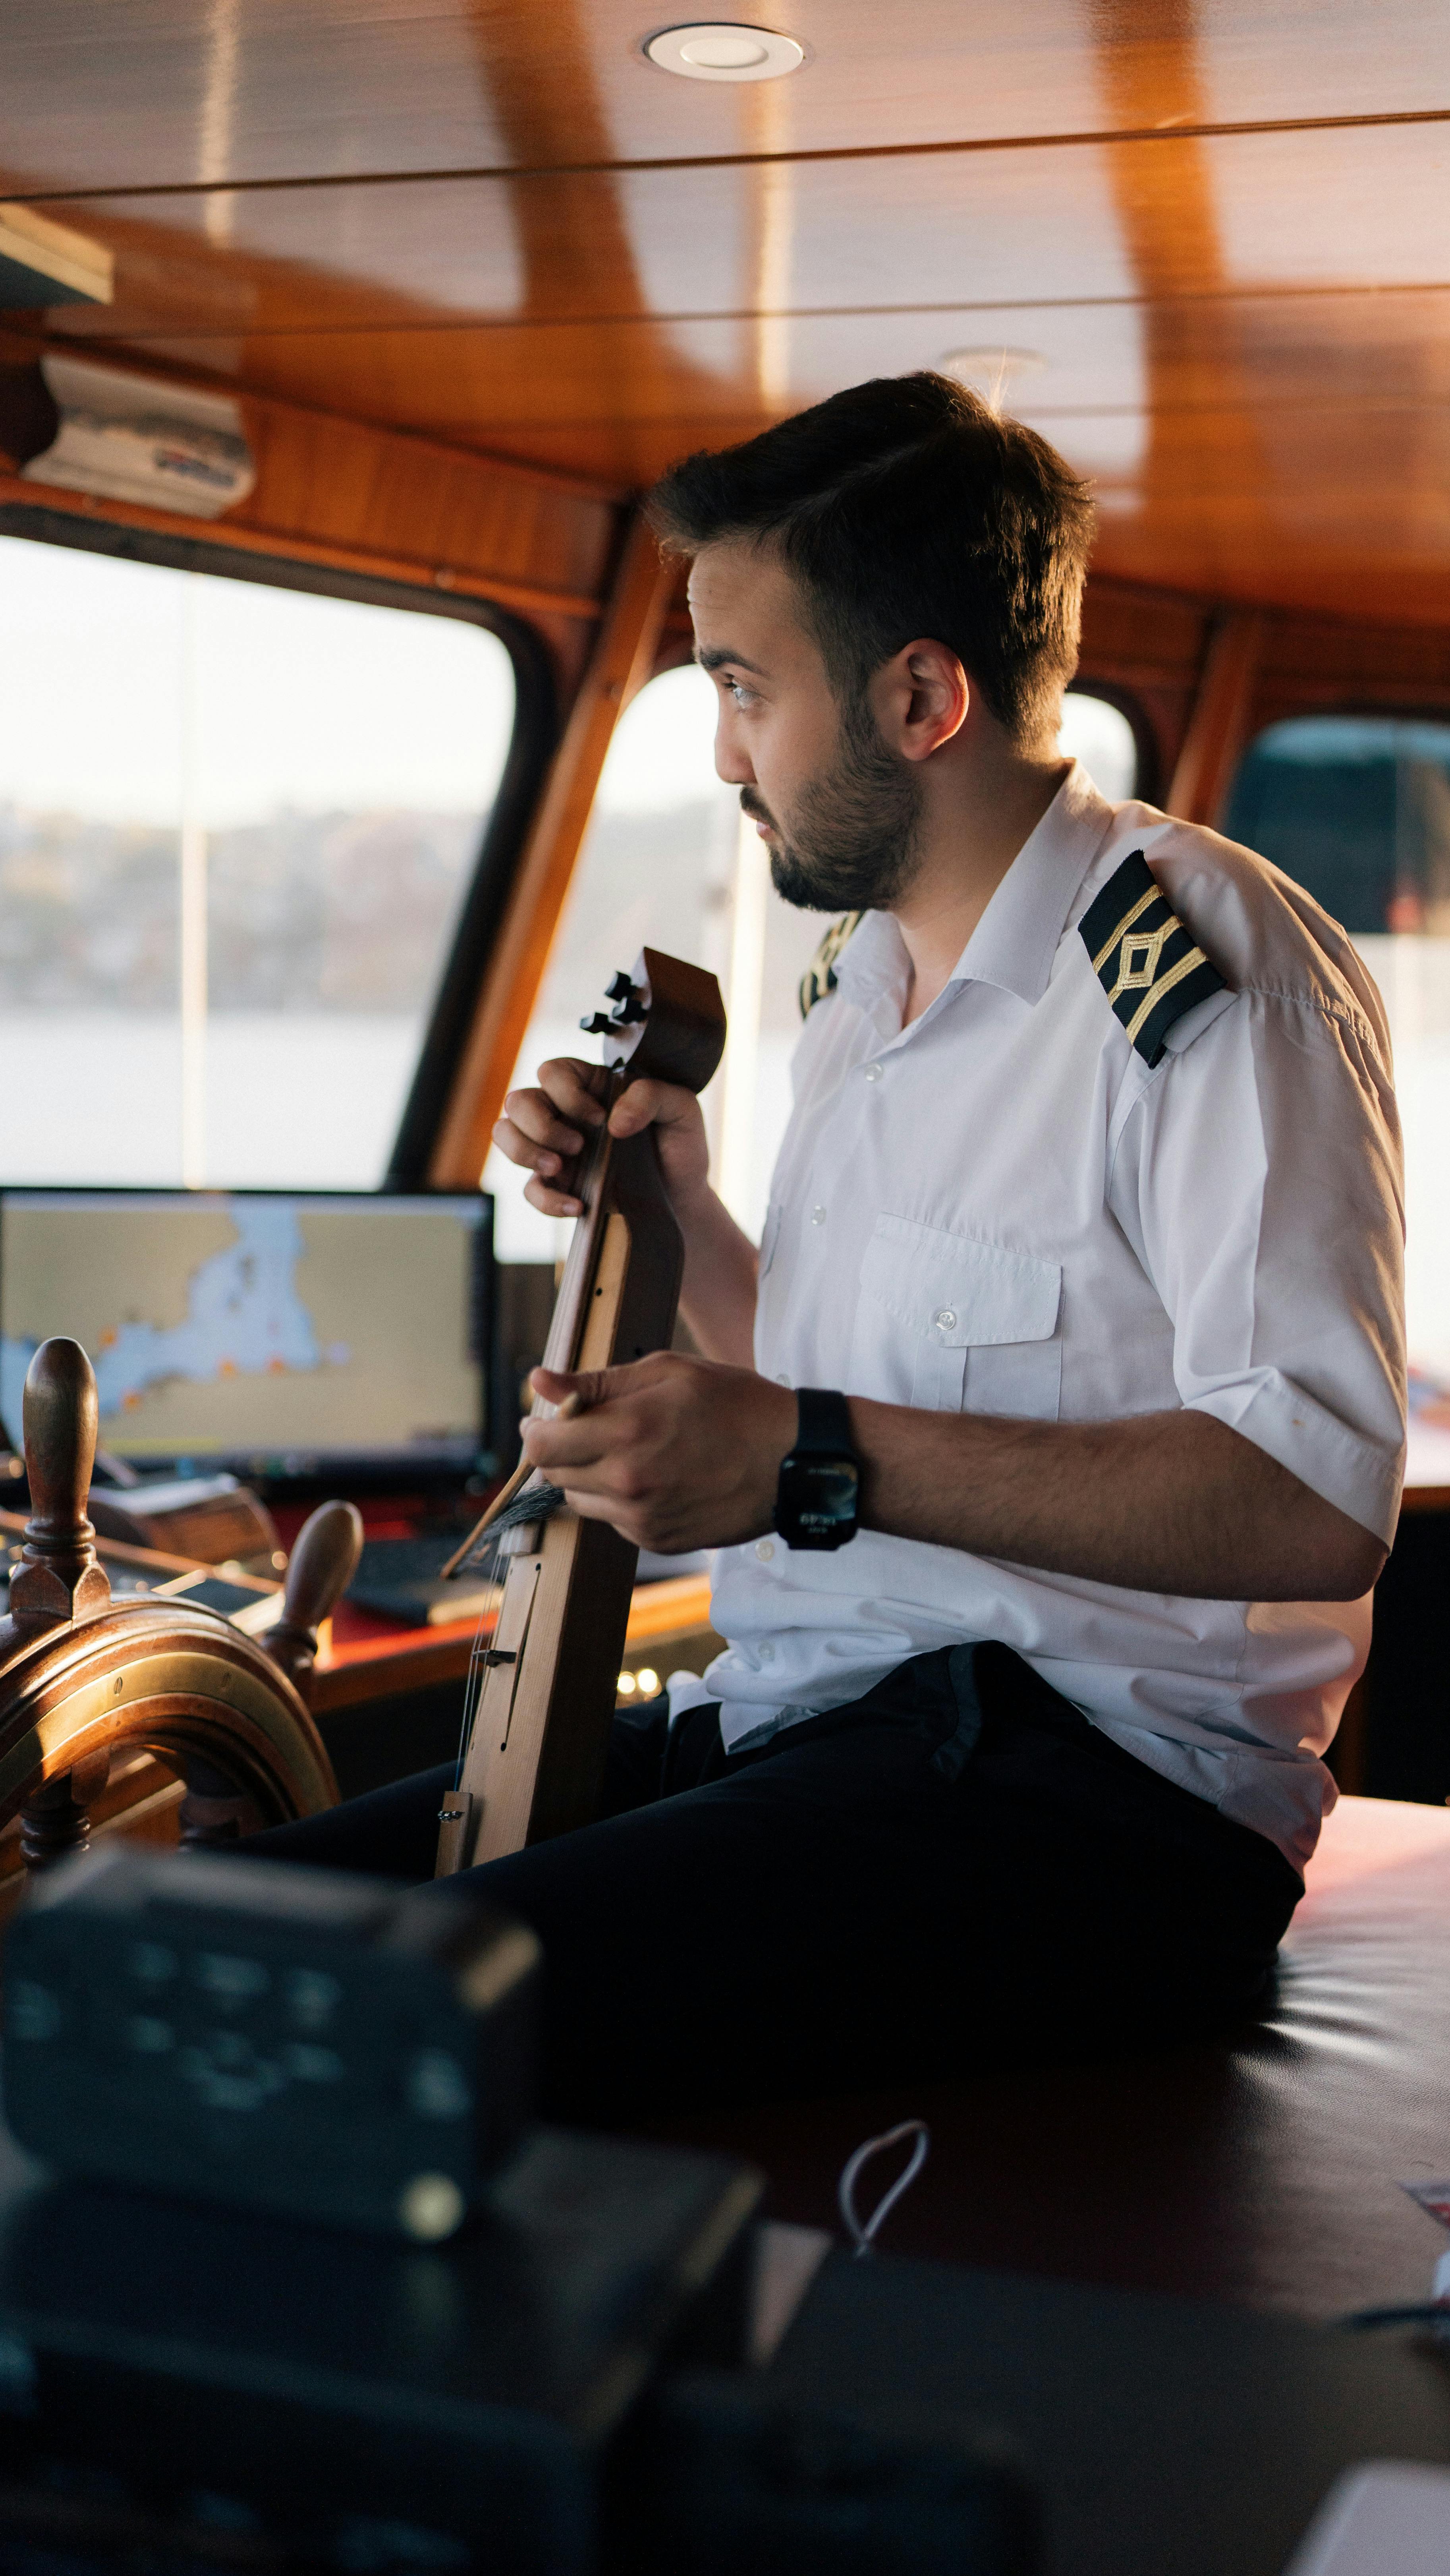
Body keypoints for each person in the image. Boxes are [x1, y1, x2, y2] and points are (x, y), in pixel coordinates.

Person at [251, 373, 1405, 2123]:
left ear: (922, 694)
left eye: (741, 685)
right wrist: (679, 1211)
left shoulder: (1201, 965)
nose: (720, 752)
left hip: (1104, 1800)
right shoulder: (859, 993)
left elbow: (1305, 1495)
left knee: (376, 2034)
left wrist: (803, 1458)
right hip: (821, 1708)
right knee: (195, 1929)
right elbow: (843, 1362)